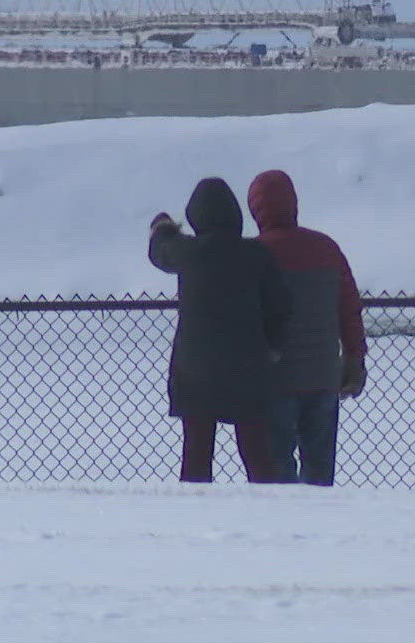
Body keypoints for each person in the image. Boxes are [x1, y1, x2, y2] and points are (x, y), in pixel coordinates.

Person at [148, 177, 290, 483]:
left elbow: (160, 251)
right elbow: (280, 306)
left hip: (195, 370)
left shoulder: (189, 252)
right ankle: (269, 506)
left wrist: (162, 226)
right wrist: (273, 346)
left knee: (196, 454)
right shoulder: (257, 255)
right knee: (257, 453)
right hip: (249, 366)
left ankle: (195, 507)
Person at [247, 169, 367, 485]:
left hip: (273, 380)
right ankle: (319, 515)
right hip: (323, 376)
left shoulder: (253, 255)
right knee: (319, 473)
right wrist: (354, 358)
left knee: (276, 475)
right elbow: (349, 309)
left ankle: (283, 517)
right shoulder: (327, 249)